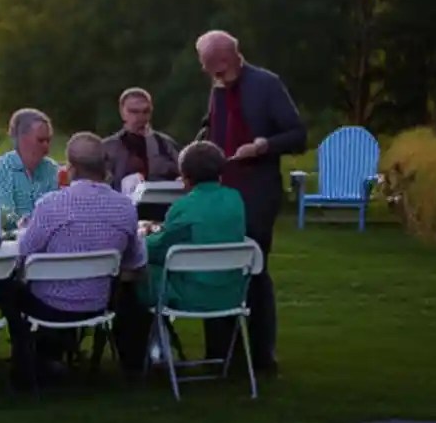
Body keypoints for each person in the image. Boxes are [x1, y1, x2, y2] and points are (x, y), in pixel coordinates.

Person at [194, 30, 305, 373]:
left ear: (227, 60)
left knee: (253, 266)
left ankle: (261, 354)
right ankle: (222, 353)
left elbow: (297, 135)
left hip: (257, 189)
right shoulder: (217, 89)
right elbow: (211, 131)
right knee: (215, 265)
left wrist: (261, 146)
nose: (211, 74)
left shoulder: (266, 85)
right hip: (220, 189)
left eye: (213, 68)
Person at [1, 132, 146, 383]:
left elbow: (23, 254)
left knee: (4, 285)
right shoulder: (125, 207)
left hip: (48, 305)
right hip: (100, 302)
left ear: (69, 168)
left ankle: (26, 359)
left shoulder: (51, 205)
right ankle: (55, 354)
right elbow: (135, 262)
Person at [116, 141, 248, 368]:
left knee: (134, 275)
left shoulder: (185, 207)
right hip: (231, 292)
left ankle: (137, 358)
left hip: (189, 294)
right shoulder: (235, 200)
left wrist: (143, 236)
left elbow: (156, 248)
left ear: (185, 177)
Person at [0, 108, 59, 218]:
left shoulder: (52, 169)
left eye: (48, 141)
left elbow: (57, 211)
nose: (46, 147)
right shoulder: (0, 169)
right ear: (21, 139)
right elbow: (5, 216)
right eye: (40, 140)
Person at [103, 88, 181, 191]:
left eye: (146, 111)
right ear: (122, 112)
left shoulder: (166, 146)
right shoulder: (107, 149)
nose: (141, 117)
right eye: (134, 111)